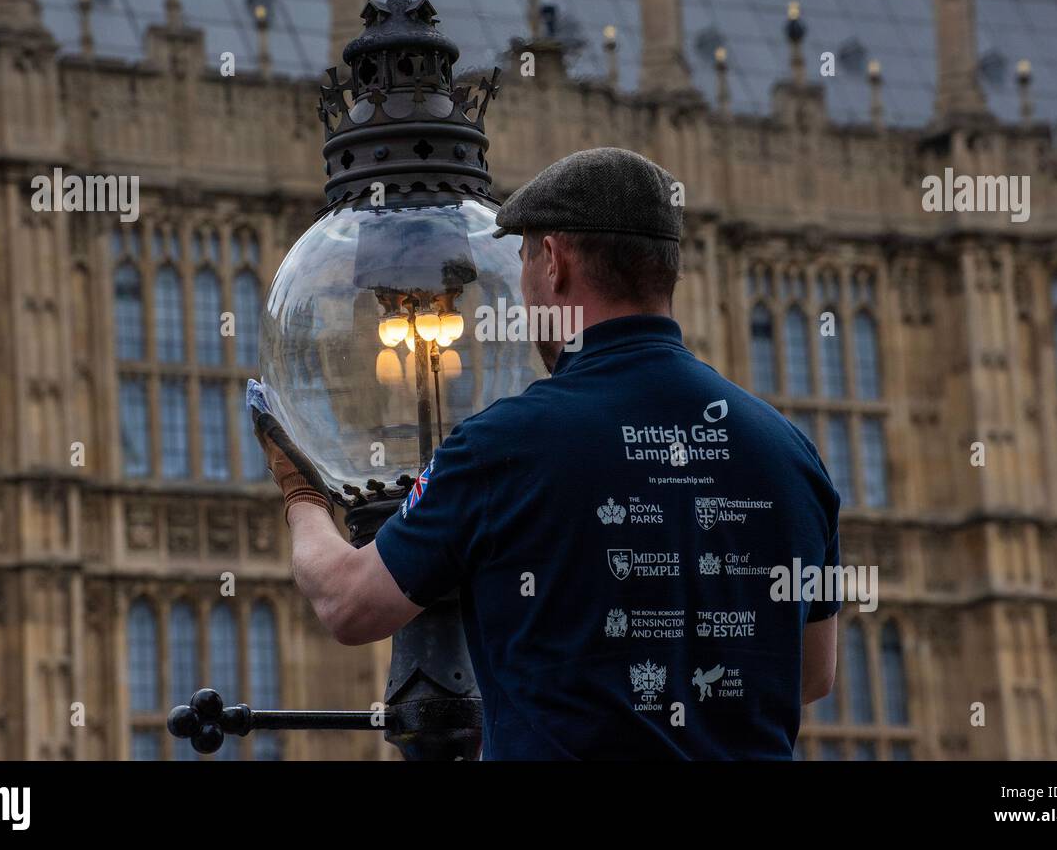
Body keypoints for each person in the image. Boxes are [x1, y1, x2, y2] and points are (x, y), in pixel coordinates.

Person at [251, 146, 840, 759]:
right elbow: (812, 674)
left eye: (523, 259)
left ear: (553, 262)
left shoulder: (502, 447)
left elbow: (349, 604)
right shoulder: (791, 456)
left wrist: (301, 495)